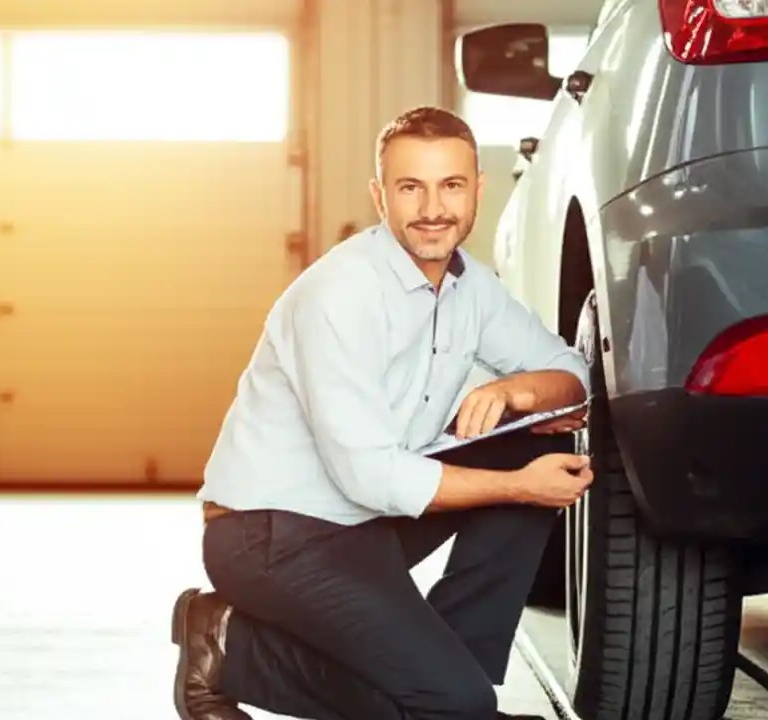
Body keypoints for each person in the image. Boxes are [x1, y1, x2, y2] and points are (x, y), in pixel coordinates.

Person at [170, 106, 595, 720]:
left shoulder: (469, 286)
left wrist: (517, 393)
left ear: (478, 190)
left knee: (529, 444)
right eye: (410, 187)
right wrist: (517, 489)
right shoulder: (339, 294)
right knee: (453, 695)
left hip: (361, 525)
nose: (433, 208)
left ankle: (452, 686)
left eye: (451, 186)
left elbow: (573, 375)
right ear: (380, 197)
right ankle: (233, 649)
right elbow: (370, 477)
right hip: (270, 535)